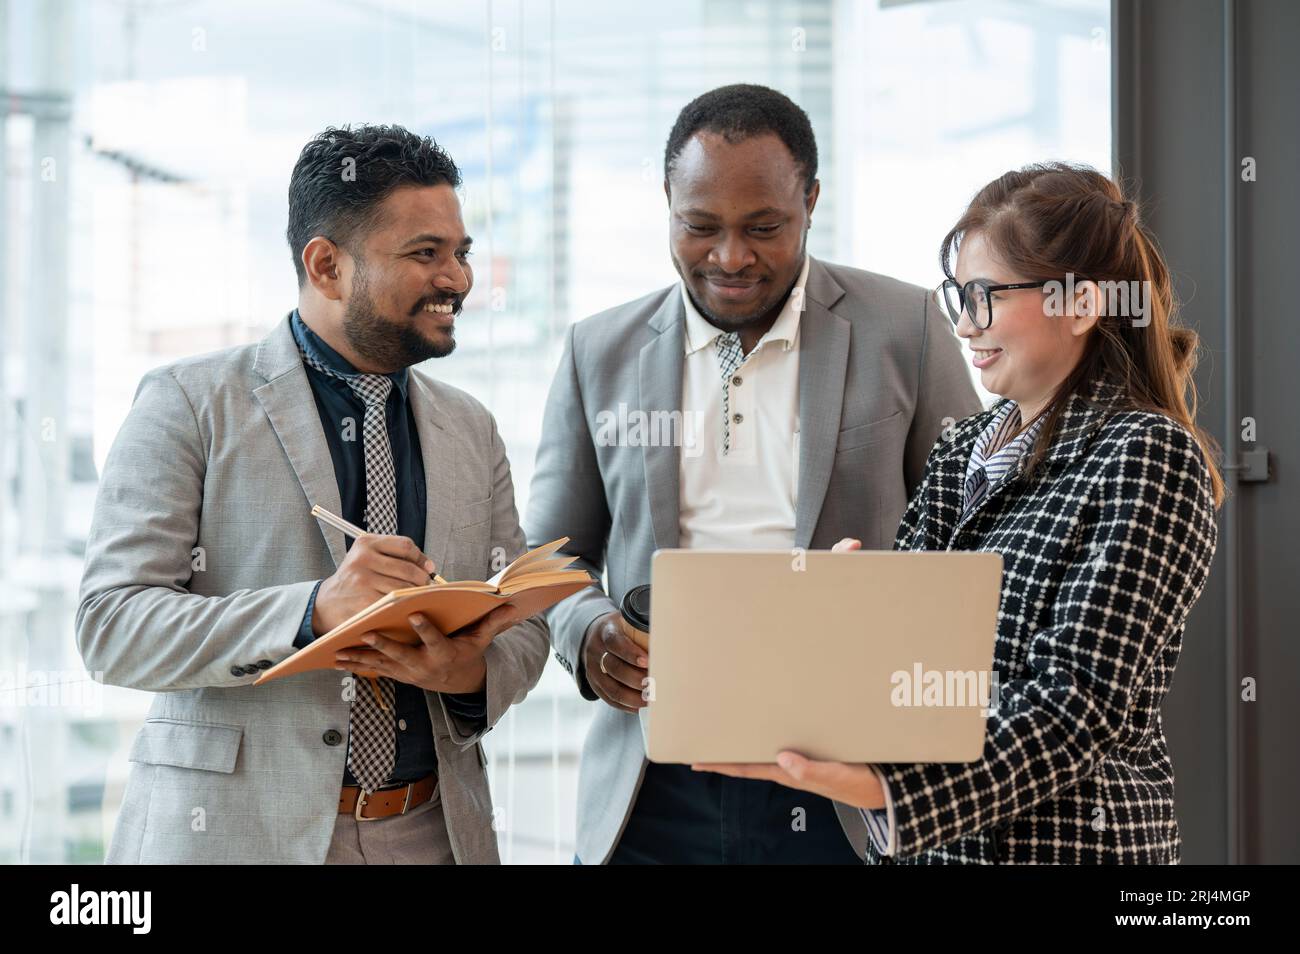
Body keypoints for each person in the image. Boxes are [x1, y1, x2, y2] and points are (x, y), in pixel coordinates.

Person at [696, 162, 1224, 864]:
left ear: (1082, 304)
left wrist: (887, 790)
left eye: (986, 297)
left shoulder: (1147, 455)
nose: (965, 324)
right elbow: (918, 670)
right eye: (959, 297)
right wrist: (846, 614)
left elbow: (1076, 708)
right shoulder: (966, 445)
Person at [526, 84, 982, 864]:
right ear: (666, 201)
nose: (730, 257)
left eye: (764, 228)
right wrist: (587, 632)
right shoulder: (596, 351)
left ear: (810, 199)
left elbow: (978, 534)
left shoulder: (904, 328)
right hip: (651, 783)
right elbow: (548, 556)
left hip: (850, 777)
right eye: (700, 226)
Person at [76, 124, 548, 864]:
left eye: (461, 254)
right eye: (426, 254)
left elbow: (522, 621)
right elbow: (112, 626)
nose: (457, 279)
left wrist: (468, 674)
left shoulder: (470, 427)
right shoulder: (188, 402)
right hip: (236, 835)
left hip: (435, 834)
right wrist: (311, 611)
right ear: (326, 264)